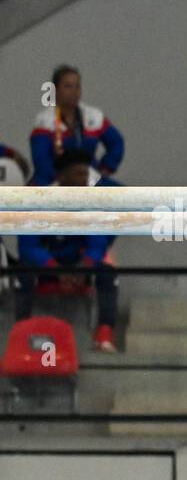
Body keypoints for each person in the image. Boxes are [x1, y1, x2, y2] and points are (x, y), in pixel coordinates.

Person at [14, 149, 120, 352]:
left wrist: (84, 267)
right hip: (45, 271)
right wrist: (55, 269)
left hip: (78, 270)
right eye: (79, 174)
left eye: (86, 174)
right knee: (22, 270)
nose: (85, 179)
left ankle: (104, 336)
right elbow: (28, 247)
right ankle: (20, 332)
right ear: (62, 176)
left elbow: (98, 243)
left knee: (109, 273)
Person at [29, 65, 125, 187]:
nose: (74, 91)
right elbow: (41, 160)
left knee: (126, 197)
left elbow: (116, 143)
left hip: (88, 179)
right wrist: (65, 181)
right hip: (54, 179)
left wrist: (105, 168)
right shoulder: (44, 121)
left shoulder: (93, 116)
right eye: (68, 86)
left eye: (77, 86)